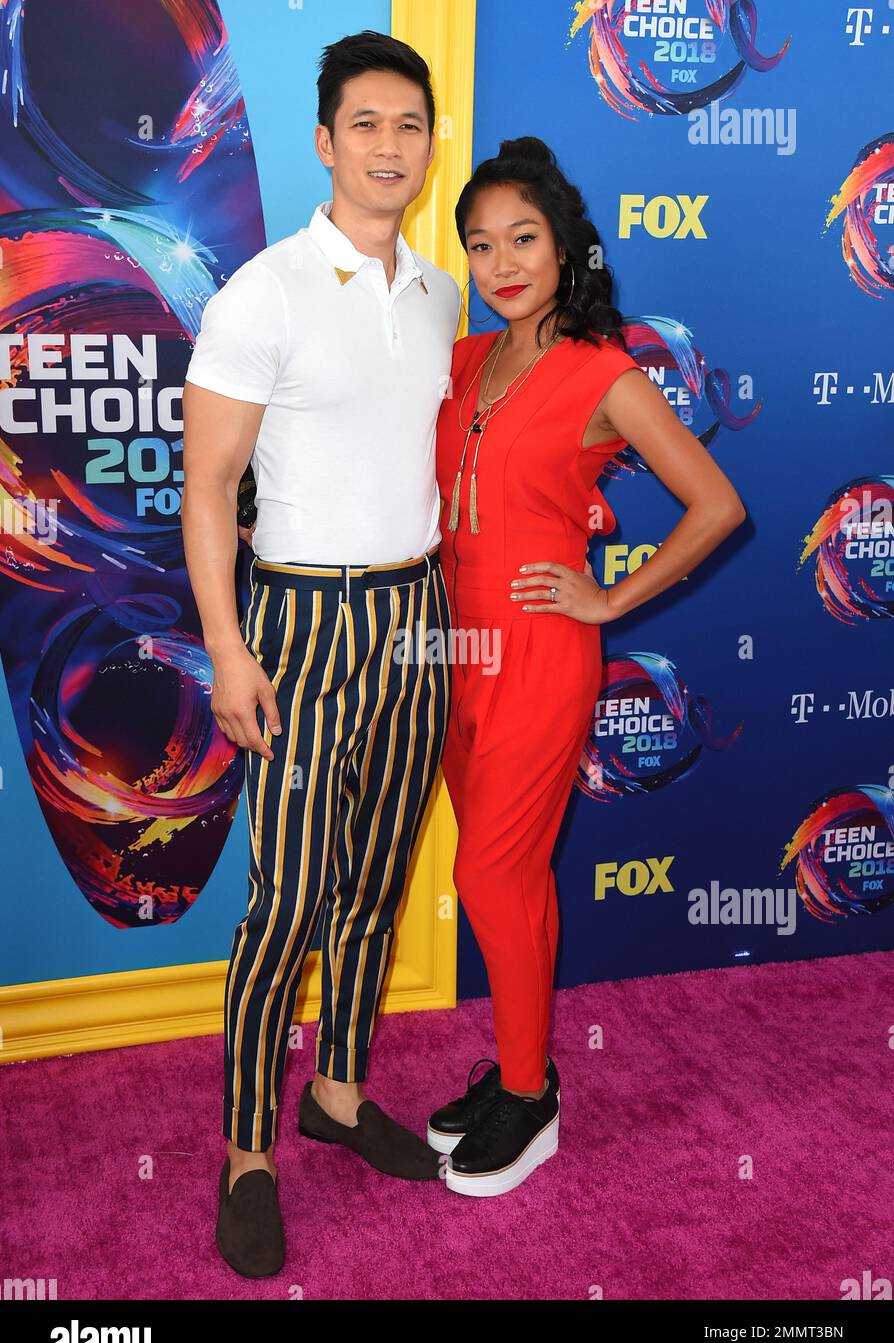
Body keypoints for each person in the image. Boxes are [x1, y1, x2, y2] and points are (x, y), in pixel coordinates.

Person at [181, 32, 461, 1277]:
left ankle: (337, 1093)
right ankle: (249, 1152)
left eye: (409, 125)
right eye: (366, 125)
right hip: (298, 625)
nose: (389, 147)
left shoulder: (443, 290)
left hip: (419, 613)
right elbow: (207, 491)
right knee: (286, 902)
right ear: (323, 140)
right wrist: (228, 652)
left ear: (428, 140)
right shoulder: (263, 292)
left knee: (375, 882)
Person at [428, 136, 746, 1197]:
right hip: (449, 651)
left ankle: (530, 1100)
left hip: (539, 653)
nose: (503, 262)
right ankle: (527, 1070)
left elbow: (718, 505)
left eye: (524, 238)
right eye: (481, 245)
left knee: (488, 874)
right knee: (506, 873)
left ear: (567, 248)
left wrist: (607, 597)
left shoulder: (606, 374)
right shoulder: (469, 357)